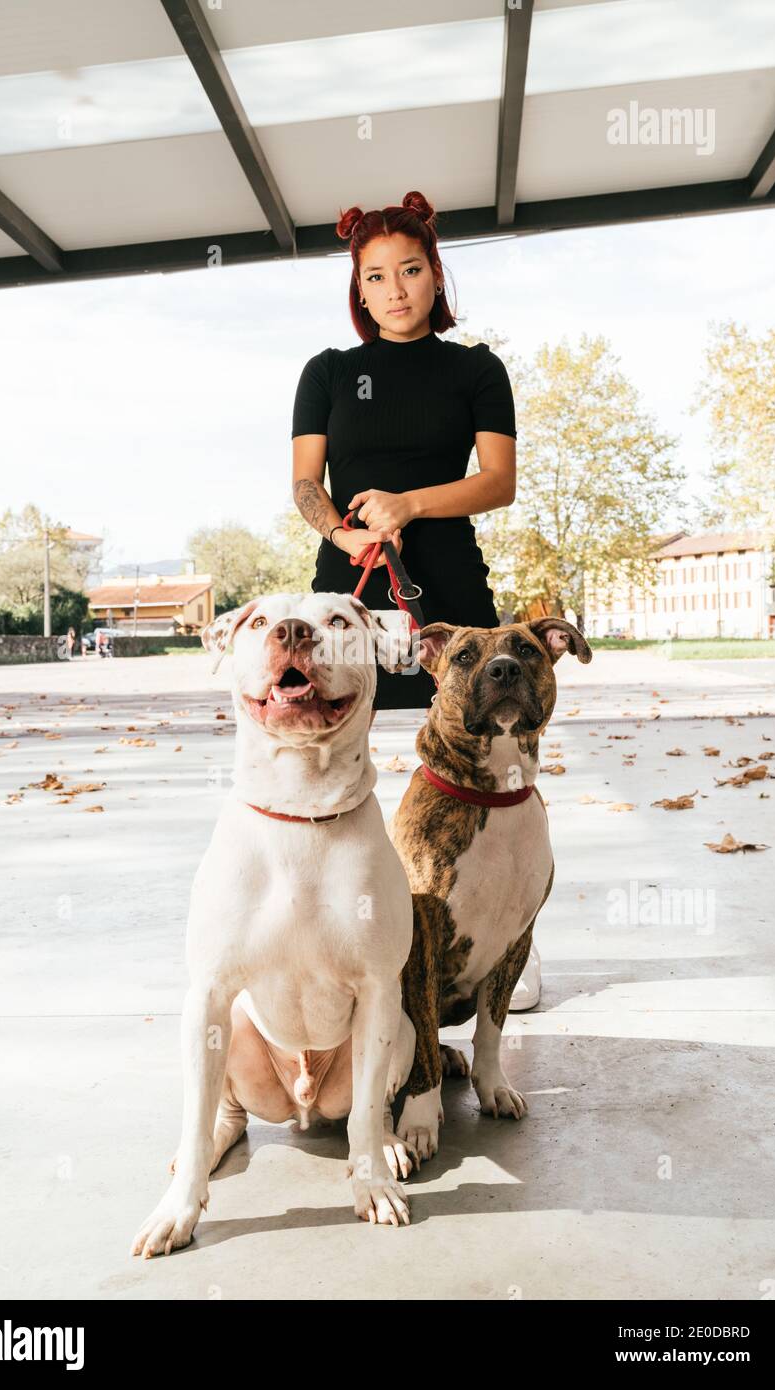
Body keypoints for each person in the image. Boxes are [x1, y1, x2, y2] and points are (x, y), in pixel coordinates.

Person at [291, 188, 541, 1008]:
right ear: (357, 291)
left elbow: (497, 484)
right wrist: (343, 534)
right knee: (332, 764)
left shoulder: (475, 368)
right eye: (375, 276)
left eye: (410, 270)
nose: (394, 288)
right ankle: (343, 934)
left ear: (435, 276)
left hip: (454, 598)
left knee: (490, 762)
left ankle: (503, 940)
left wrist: (407, 506)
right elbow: (304, 486)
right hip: (354, 594)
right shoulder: (326, 372)